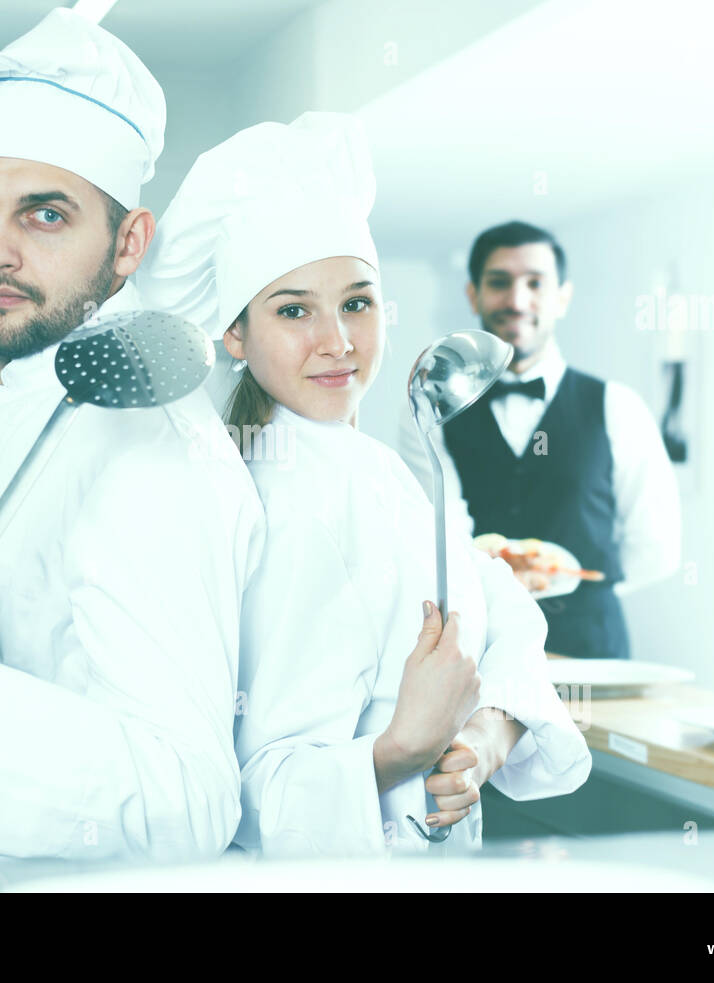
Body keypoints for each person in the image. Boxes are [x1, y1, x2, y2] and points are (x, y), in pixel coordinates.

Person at [0, 7, 264, 871]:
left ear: (129, 244)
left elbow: (188, 799)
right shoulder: (1, 388)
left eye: (44, 216)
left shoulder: (151, 450)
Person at [138, 113, 590, 856]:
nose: (339, 340)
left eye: (356, 301)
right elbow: (244, 798)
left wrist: (485, 732)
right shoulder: (260, 502)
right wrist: (401, 750)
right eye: (293, 310)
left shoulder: (381, 470)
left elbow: (496, 604)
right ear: (235, 336)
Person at [397, 221, 681, 660]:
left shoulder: (617, 406)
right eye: (499, 283)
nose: (517, 300)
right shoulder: (432, 409)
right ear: (473, 295)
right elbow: (442, 538)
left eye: (536, 283)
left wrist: (578, 591)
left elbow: (656, 546)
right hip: (482, 649)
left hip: (594, 654)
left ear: (563, 297)